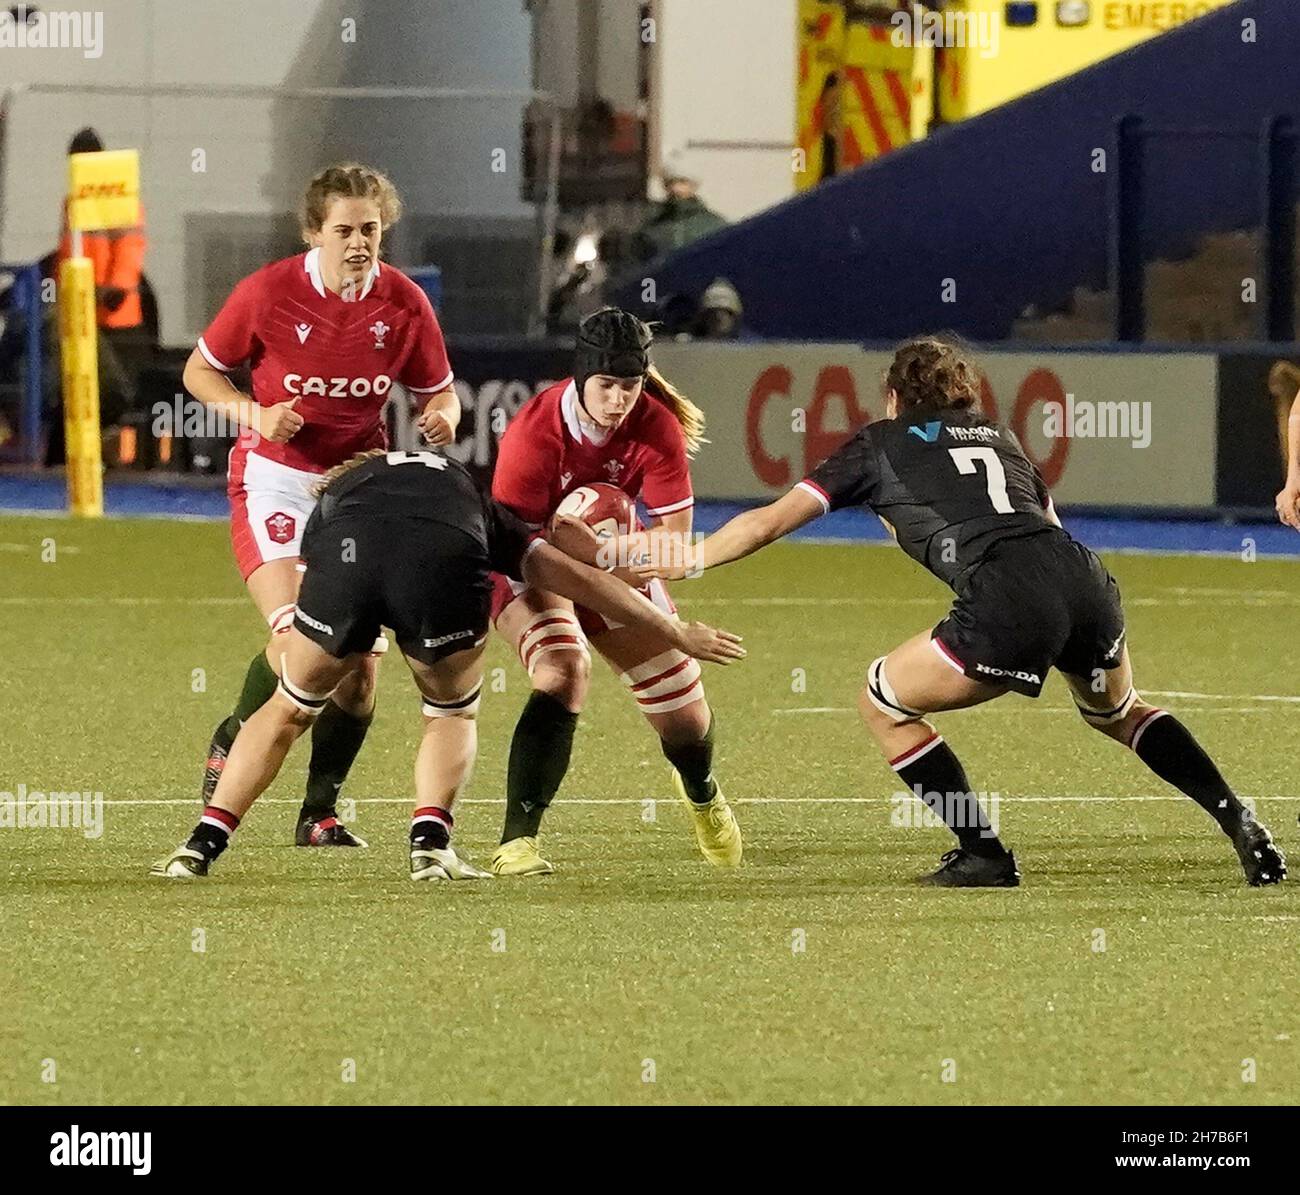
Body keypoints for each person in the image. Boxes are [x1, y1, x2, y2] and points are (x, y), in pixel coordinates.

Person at [627, 336, 1287, 888]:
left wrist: (691, 558)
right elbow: (1043, 519)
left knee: (882, 699)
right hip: (1081, 576)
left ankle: (984, 853)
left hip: (1007, 594)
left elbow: (769, 523)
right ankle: (1238, 819)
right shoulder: (998, 435)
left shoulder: (879, 442)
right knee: (1121, 712)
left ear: (893, 397)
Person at [150, 448, 744, 879]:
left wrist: (349, 638)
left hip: (349, 556)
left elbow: (322, 569)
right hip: (445, 559)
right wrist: (674, 630)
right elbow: (583, 581)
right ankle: (430, 845)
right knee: (449, 711)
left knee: (290, 706)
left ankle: (200, 845)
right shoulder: (475, 496)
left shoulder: (336, 497)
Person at [182, 162, 461, 849]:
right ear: (315, 232)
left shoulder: (403, 304)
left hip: (358, 488)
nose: (360, 243)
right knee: (297, 640)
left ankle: (319, 811)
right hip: (274, 480)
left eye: (371, 229)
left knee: (360, 670)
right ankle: (235, 732)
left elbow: (440, 392)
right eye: (345, 230)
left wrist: (443, 416)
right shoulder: (269, 292)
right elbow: (199, 371)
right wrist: (252, 411)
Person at [487, 307, 742, 876]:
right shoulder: (533, 434)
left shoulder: (655, 426)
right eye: (606, 385)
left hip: (612, 560)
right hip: (528, 562)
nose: (619, 399)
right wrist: (600, 563)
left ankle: (700, 792)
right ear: (581, 377)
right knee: (563, 669)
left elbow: (674, 548)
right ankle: (516, 843)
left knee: (685, 721)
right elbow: (519, 549)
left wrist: (604, 557)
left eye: (630, 386)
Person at [55, 127, 150, 430]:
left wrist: (116, 288)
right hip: (84, 311)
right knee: (84, 388)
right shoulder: (74, 201)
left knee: (114, 389)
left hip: (113, 315)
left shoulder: (117, 200)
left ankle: (104, 446)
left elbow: (128, 246)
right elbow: (68, 252)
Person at [632, 158, 728, 262]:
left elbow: (725, 265)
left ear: (694, 185)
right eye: (670, 182)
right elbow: (639, 270)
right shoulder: (651, 229)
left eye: (682, 182)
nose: (675, 188)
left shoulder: (715, 226)